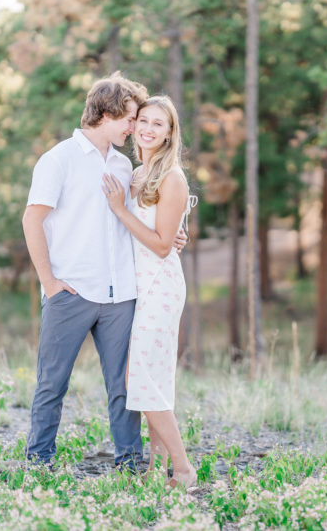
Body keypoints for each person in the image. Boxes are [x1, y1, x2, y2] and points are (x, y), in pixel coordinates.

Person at [22, 72, 186, 471]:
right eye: (130, 118)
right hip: (71, 292)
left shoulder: (124, 165)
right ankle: (39, 462)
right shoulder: (58, 159)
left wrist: (178, 232)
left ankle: (129, 465)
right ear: (107, 113)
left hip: (122, 295)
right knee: (52, 383)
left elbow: (147, 214)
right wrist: (49, 282)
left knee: (124, 387)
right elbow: (32, 220)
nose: (134, 128)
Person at [102, 95, 197, 490]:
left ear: (170, 133)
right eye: (143, 120)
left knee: (139, 378)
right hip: (139, 287)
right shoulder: (139, 173)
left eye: (159, 123)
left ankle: (183, 469)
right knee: (150, 378)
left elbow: (160, 245)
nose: (148, 128)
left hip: (160, 286)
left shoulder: (171, 177)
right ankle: (158, 471)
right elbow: (160, 233)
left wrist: (120, 209)